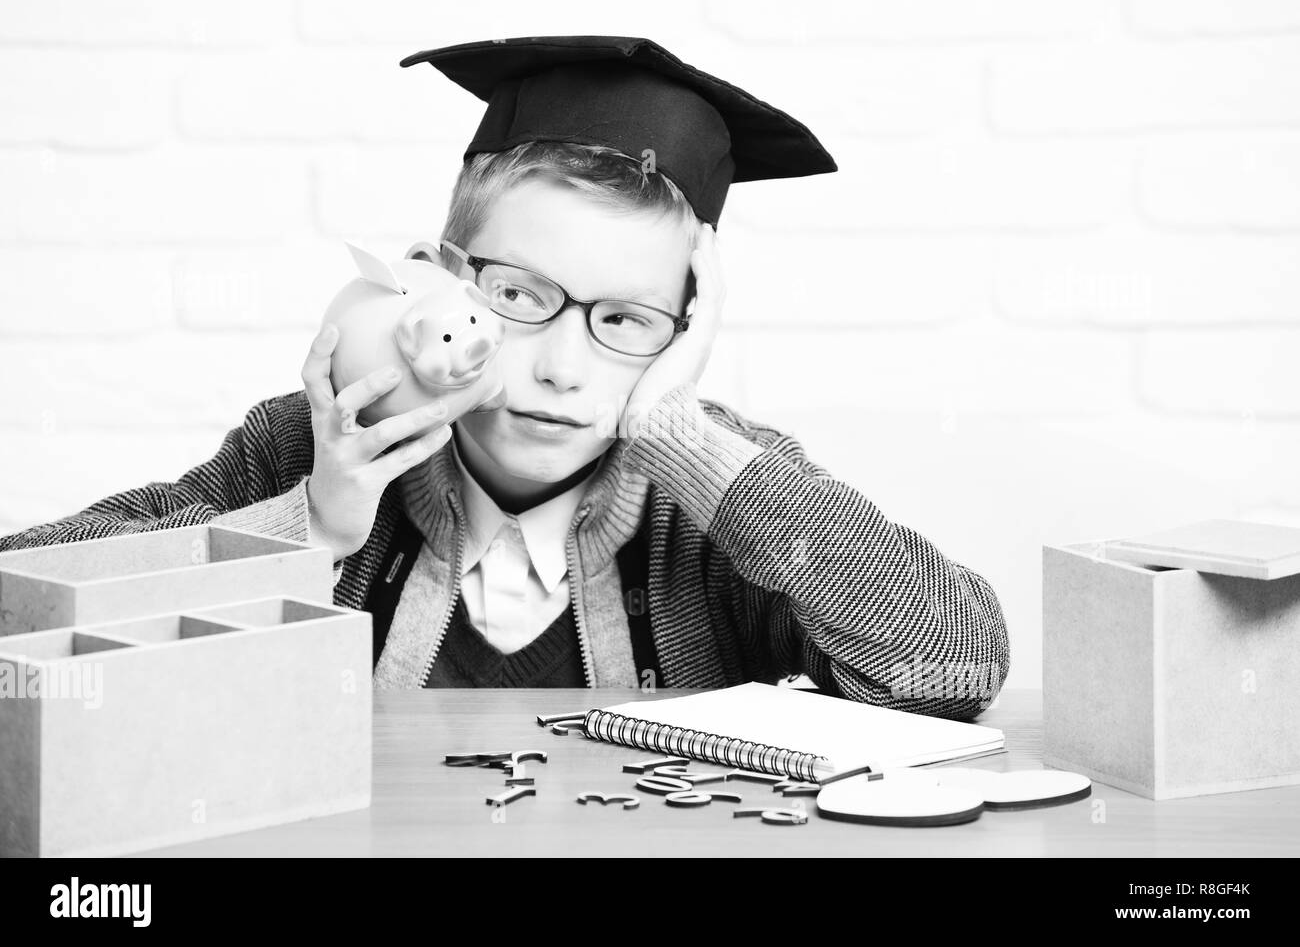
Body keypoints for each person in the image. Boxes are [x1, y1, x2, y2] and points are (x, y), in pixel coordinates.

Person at [0, 36, 1008, 717]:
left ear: (683, 334)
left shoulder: (718, 488)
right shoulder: (316, 451)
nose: (564, 366)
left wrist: (689, 442)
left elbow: (958, 663)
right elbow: (17, 607)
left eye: (625, 320)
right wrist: (306, 527)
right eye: (521, 296)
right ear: (438, 280)